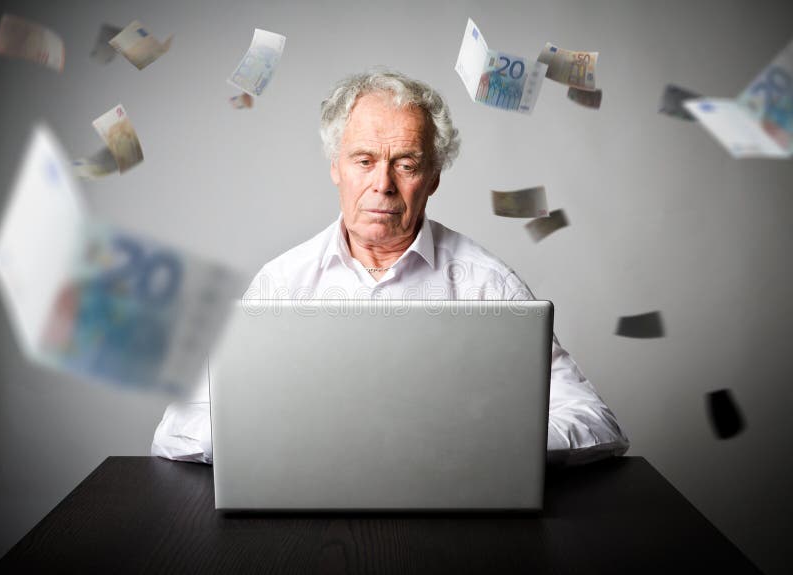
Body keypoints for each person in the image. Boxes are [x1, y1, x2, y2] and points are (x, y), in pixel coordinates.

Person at [151, 70, 629, 467]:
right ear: (335, 167)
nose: (382, 184)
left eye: (406, 164)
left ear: (433, 178)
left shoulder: (489, 286)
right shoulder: (282, 283)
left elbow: (594, 421)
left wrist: (482, 443)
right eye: (364, 160)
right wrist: (286, 435)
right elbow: (178, 428)